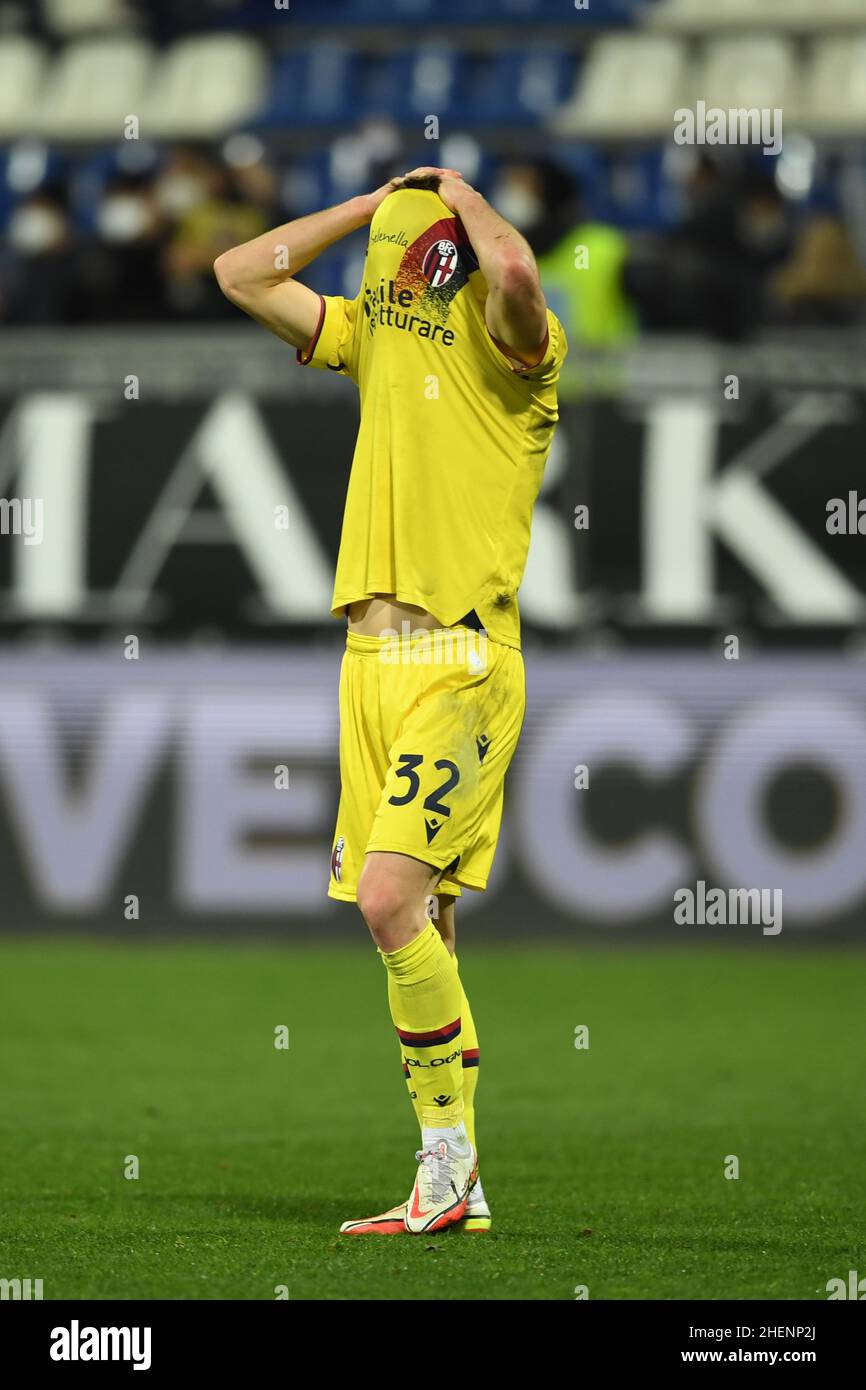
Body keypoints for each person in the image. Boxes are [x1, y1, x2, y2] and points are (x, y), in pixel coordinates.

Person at [214, 165, 567, 1235]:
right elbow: (241, 270)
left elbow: (510, 264)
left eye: (403, 251)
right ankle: (450, 1179)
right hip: (365, 664)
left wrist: (459, 191)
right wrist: (364, 209)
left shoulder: (521, 357)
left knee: (384, 900)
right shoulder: (379, 337)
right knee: (427, 928)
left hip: (458, 657)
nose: (392, 272)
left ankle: (448, 1168)